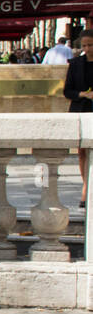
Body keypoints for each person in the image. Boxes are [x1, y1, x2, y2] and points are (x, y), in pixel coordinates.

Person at [62, 31, 93, 208]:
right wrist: (82, 94)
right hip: (81, 110)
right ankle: (86, 186)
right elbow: (67, 91)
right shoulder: (75, 64)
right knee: (82, 152)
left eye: (91, 45)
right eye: (85, 45)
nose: (87, 49)